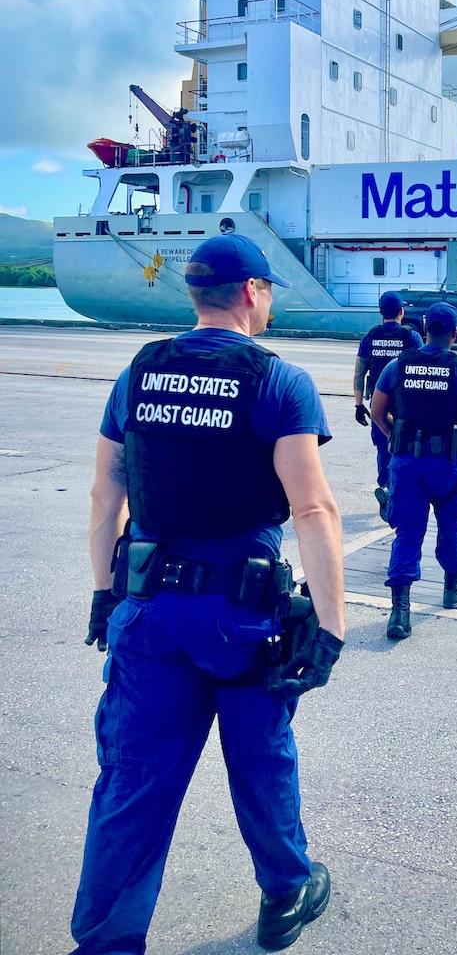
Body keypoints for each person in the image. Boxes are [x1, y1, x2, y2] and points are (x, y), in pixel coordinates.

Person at [71, 234, 346, 955]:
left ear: (196, 293)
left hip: (149, 610)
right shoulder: (278, 382)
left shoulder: (139, 372)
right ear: (252, 291)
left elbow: (108, 494)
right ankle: (285, 893)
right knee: (261, 758)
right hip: (241, 619)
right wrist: (330, 625)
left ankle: (104, 942)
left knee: (132, 784)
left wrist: (105, 592)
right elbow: (314, 510)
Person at [370, 302, 457, 640]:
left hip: (406, 464)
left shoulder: (397, 366)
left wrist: (397, 435)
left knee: (407, 535)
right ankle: (452, 590)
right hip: (447, 467)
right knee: (452, 528)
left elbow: (377, 411)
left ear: (424, 330)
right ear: (454, 333)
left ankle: (399, 613)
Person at [353, 291, 422, 521]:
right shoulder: (411, 338)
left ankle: (385, 486)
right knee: (407, 448)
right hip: (407, 404)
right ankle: (400, 493)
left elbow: (360, 372)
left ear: (381, 312)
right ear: (401, 311)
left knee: (384, 448)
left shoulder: (370, 337)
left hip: (378, 404)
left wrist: (358, 404)